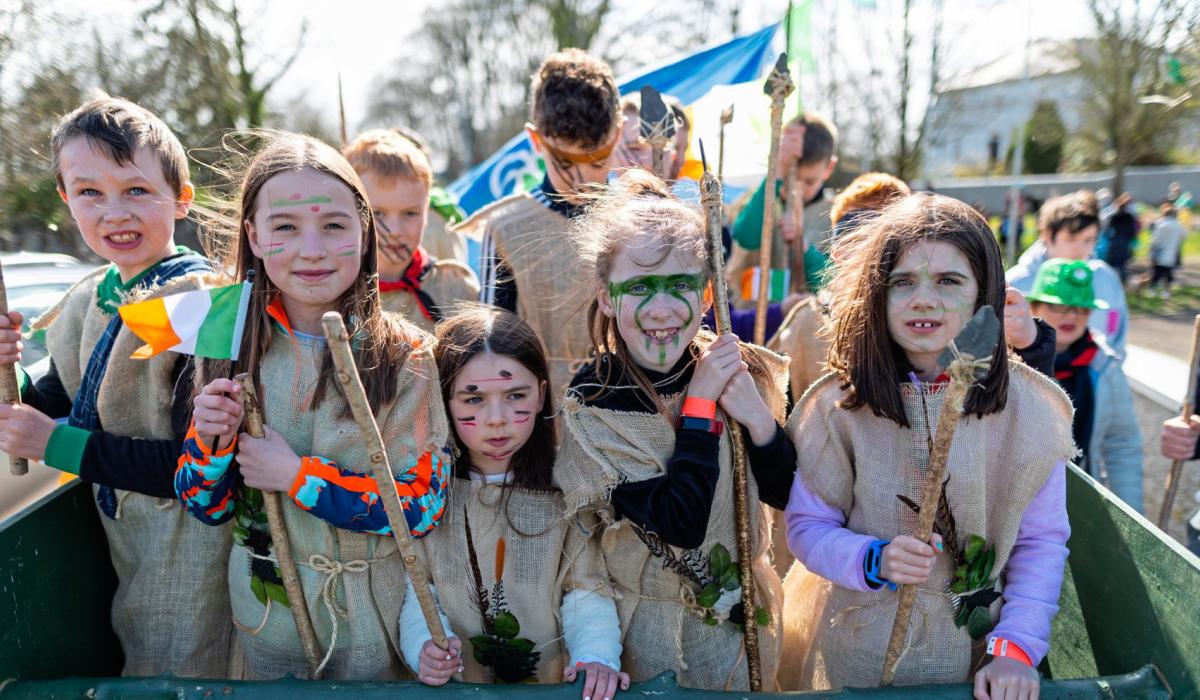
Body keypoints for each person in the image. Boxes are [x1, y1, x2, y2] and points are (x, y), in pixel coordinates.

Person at [175, 132, 451, 680]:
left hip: (379, 619)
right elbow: (204, 506)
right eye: (285, 227)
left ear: (364, 231)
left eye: (333, 226)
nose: (312, 249)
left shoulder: (407, 356)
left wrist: (298, 477)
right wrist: (211, 442)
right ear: (253, 236)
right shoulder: (228, 344)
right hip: (267, 620)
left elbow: (423, 507)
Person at [785, 194, 1075, 698]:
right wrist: (871, 558)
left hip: (976, 658)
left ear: (985, 293)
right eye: (903, 282)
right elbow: (807, 526)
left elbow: (1040, 542)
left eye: (948, 281)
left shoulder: (1028, 413)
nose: (923, 299)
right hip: (861, 651)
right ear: (876, 294)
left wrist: (1016, 648)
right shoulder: (840, 407)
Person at [0, 96, 232, 678]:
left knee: (189, 671)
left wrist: (53, 444)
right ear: (65, 198)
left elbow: (196, 467)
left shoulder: (199, 303)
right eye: (90, 192)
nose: (114, 213)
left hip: (196, 549)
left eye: (136, 190)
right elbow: (58, 401)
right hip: (129, 542)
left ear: (182, 198)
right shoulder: (89, 297)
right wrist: (10, 372)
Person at [554, 170, 793, 690]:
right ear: (606, 296)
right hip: (648, 635)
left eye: (680, 286)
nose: (661, 310)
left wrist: (757, 418)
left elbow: (788, 493)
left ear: (706, 295)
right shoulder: (595, 400)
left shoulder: (739, 370)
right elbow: (680, 524)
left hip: (744, 632)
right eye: (640, 287)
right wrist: (701, 406)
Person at [404, 306, 629, 700]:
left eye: (515, 396)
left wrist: (595, 656)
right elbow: (415, 588)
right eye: (474, 398)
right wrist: (423, 646)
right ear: (442, 399)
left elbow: (585, 587)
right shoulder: (424, 493)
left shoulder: (568, 488)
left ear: (541, 394)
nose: (497, 418)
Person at [458, 48, 622, 399]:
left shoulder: (637, 216)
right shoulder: (506, 227)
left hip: (631, 408)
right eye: (565, 162)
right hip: (543, 410)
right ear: (536, 140)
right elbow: (491, 343)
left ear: (618, 133)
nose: (581, 179)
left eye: (597, 160)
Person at [1026, 259, 1143, 511]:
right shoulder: (1009, 362)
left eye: (1081, 308)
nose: (1071, 315)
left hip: (1076, 502)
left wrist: (1133, 519)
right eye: (1059, 305)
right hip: (1015, 501)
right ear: (1033, 306)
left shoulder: (1105, 365)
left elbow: (1121, 444)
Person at [343, 128, 479, 332]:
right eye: (377, 213)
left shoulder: (456, 289)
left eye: (410, 213)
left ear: (427, 211)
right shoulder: (332, 294)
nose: (395, 230)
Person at [729, 113, 838, 296]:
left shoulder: (834, 215)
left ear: (829, 168)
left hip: (803, 313)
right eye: (789, 178)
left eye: (809, 182)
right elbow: (745, 238)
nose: (798, 190)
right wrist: (778, 169)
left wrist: (802, 247)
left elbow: (831, 284)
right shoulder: (761, 197)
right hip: (750, 310)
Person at [1008, 190, 1128, 355]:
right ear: (1047, 236)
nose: (1080, 248)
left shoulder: (1105, 278)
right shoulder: (1016, 283)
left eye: (1089, 240)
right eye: (1071, 239)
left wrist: (1109, 364)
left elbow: (1116, 330)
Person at [1148, 202, 1186, 298]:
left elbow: (1154, 238)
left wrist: (1152, 249)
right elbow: (1183, 235)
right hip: (1171, 251)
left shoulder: (1160, 223)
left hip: (1159, 250)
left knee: (1156, 271)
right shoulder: (1178, 224)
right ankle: (1166, 291)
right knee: (1168, 272)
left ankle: (1152, 290)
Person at [1102, 194, 1139, 284]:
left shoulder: (1113, 217)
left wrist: (1110, 237)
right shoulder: (1130, 217)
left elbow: (1107, 230)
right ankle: (1122, 282)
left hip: (1114, 243)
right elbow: (1133, 231)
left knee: (1112, 263)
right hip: (1125, 244)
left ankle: (1110, 281)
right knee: (1122, 264)